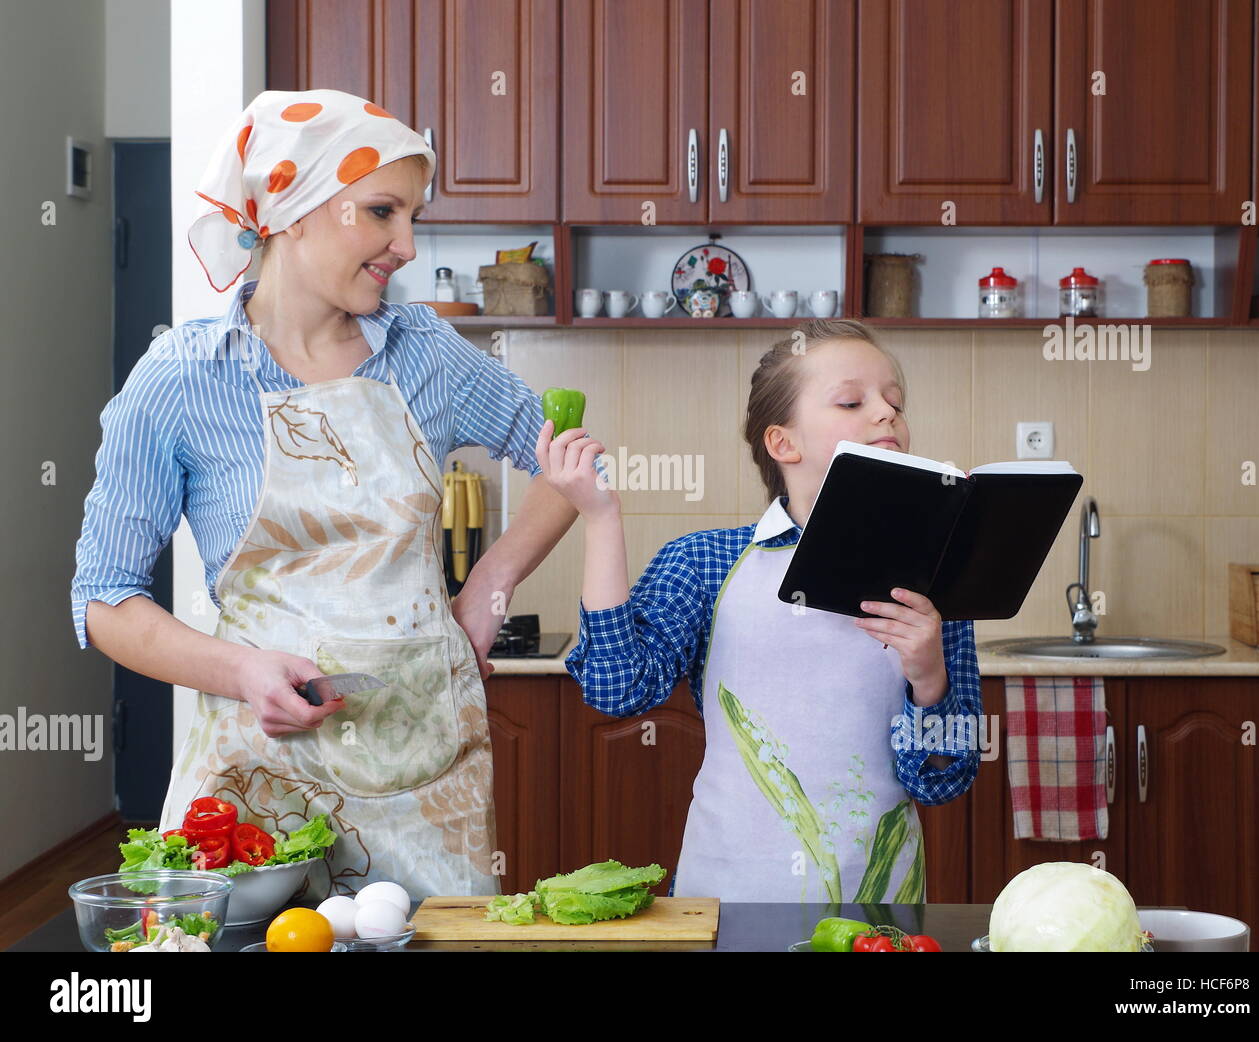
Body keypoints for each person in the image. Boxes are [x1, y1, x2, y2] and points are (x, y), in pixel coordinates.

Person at [71, 89, 576, 900]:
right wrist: (240, 670)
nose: (407, 244)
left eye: (413, 216)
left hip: (424, 776)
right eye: (382, 212)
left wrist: (491, 582)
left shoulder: (426, 354)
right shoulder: (182, 380)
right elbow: (103, 600)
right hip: (253, 784)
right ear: (293, 210)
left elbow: (567, 462)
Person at [539, 318, 982, 903]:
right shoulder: (705, 561)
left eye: (894, 401)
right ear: (783, 443)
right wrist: (599, 517)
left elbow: (943, 781)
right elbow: (617, 689)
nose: (886, 413)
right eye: (852, 400)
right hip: (727, 894)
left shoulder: (934, 579)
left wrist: (928, 676)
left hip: (880, 906)